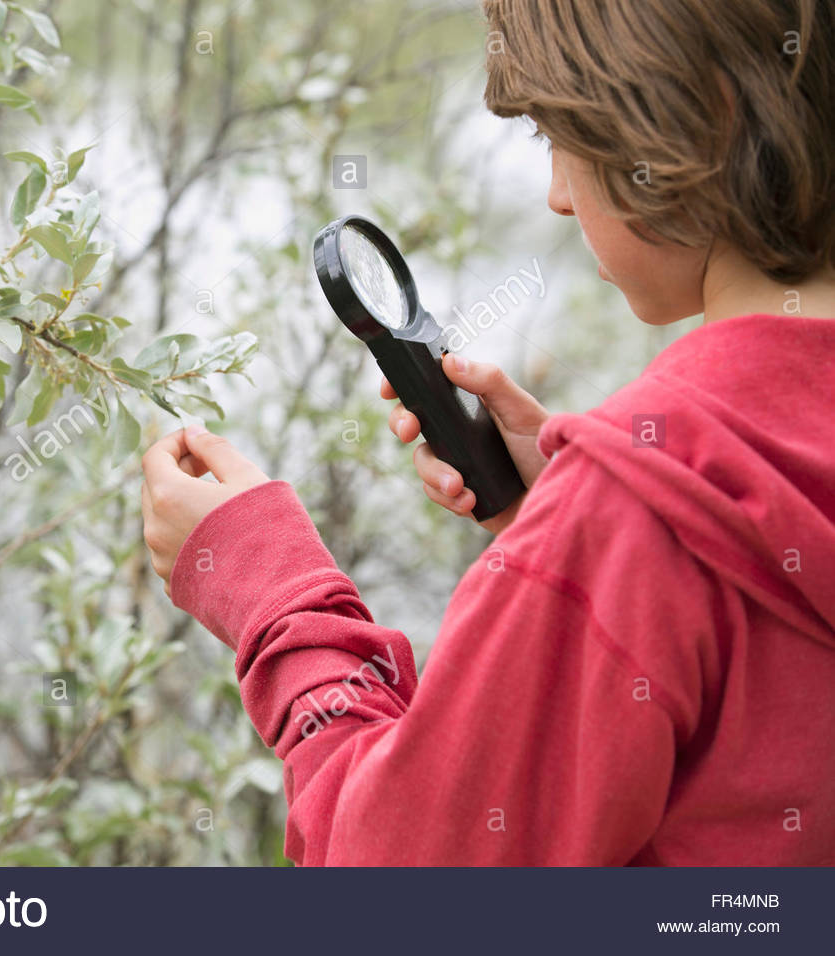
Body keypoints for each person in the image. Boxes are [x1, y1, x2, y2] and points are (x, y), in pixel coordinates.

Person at [139, 0, 835, 865]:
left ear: (706, 119)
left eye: (557, 139)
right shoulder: (651, 509)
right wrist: (558, 520)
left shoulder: (639, 518)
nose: (555, 199)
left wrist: (275, 602)